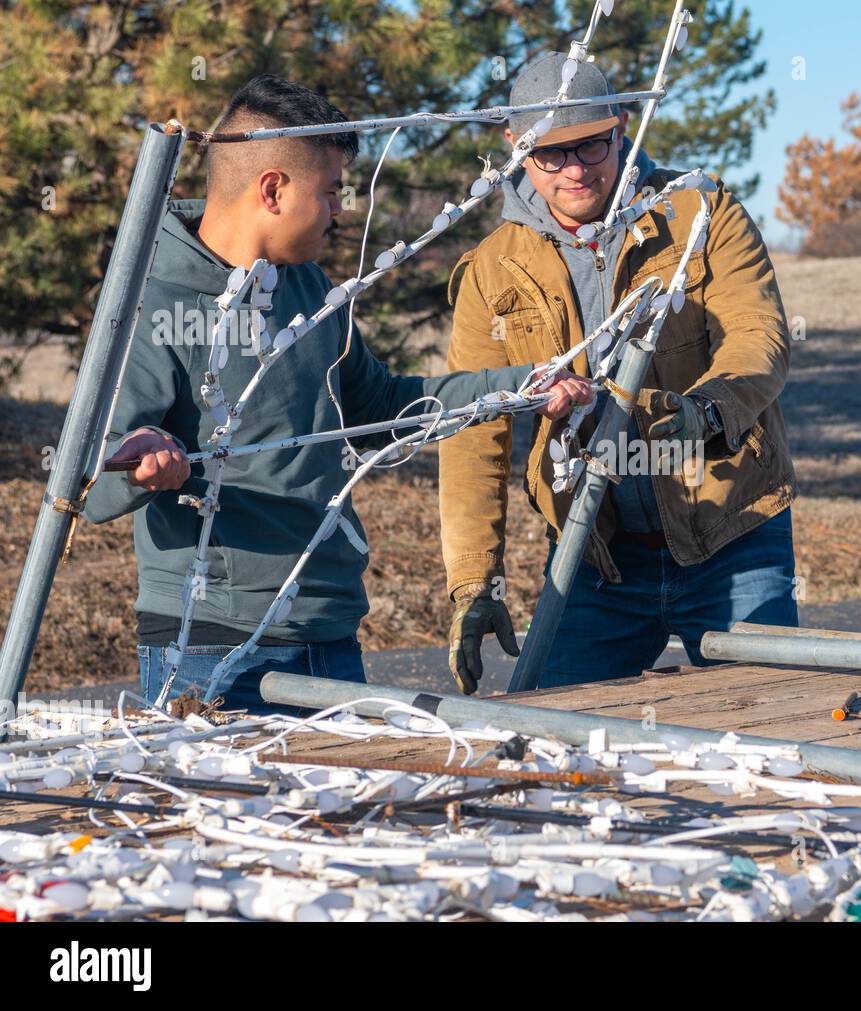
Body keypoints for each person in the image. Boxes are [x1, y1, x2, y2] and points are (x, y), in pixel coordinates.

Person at [85, 75, 590, 712]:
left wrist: (519, 387)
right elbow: (89, 485)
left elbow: (382, 409)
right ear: (273, 190)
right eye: (329, 192)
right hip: (209, 644)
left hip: (330, 631)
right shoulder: (149, 299)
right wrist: (142, 461)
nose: (340, 209)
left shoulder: (308, 289)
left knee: (341, 811)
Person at [439, 53, 798, 693]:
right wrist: (474, 580)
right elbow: (474, 432)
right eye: (552, 154)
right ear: (515, 148)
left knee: (773, 723)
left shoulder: (702, 214)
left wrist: (706, 413)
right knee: (556, 740)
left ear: (623, 125)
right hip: (592, 556)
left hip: (731, 536)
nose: (576, 168)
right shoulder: (491, 270)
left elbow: (758, 335)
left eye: (592, 145)